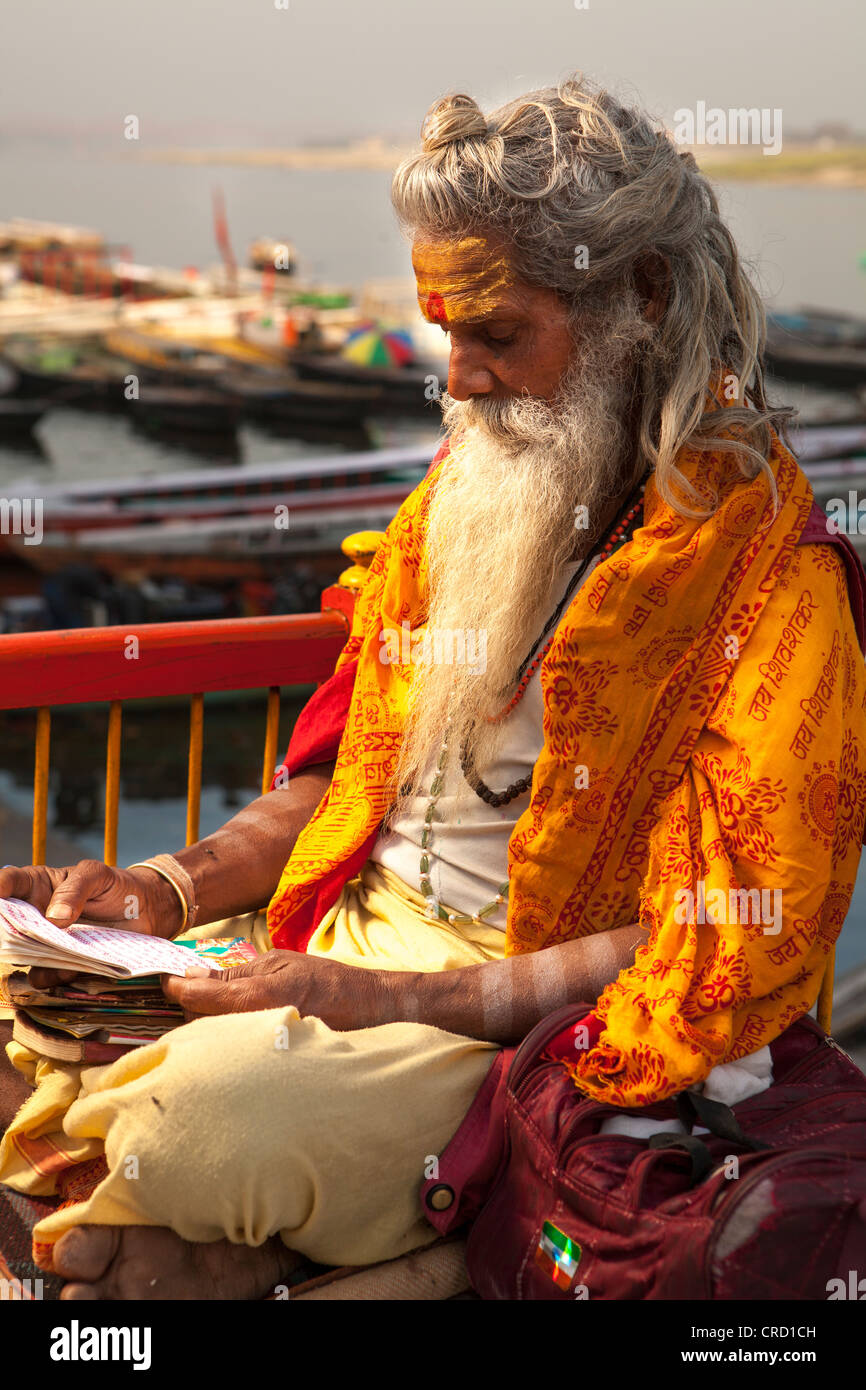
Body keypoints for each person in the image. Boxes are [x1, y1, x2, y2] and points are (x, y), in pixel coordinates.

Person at [1, 75, 865, 1301]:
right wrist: (155, 887)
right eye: (443, 331)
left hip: (494, 1021)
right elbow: (340, 781)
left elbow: (715, 934)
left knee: (190, 1124)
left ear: (644, 300)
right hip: (317, 946)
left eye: (496, 334)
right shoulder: (455, 506)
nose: (452, 379)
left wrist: (376, 999)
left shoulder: (768, 580)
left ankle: (229, 1236)